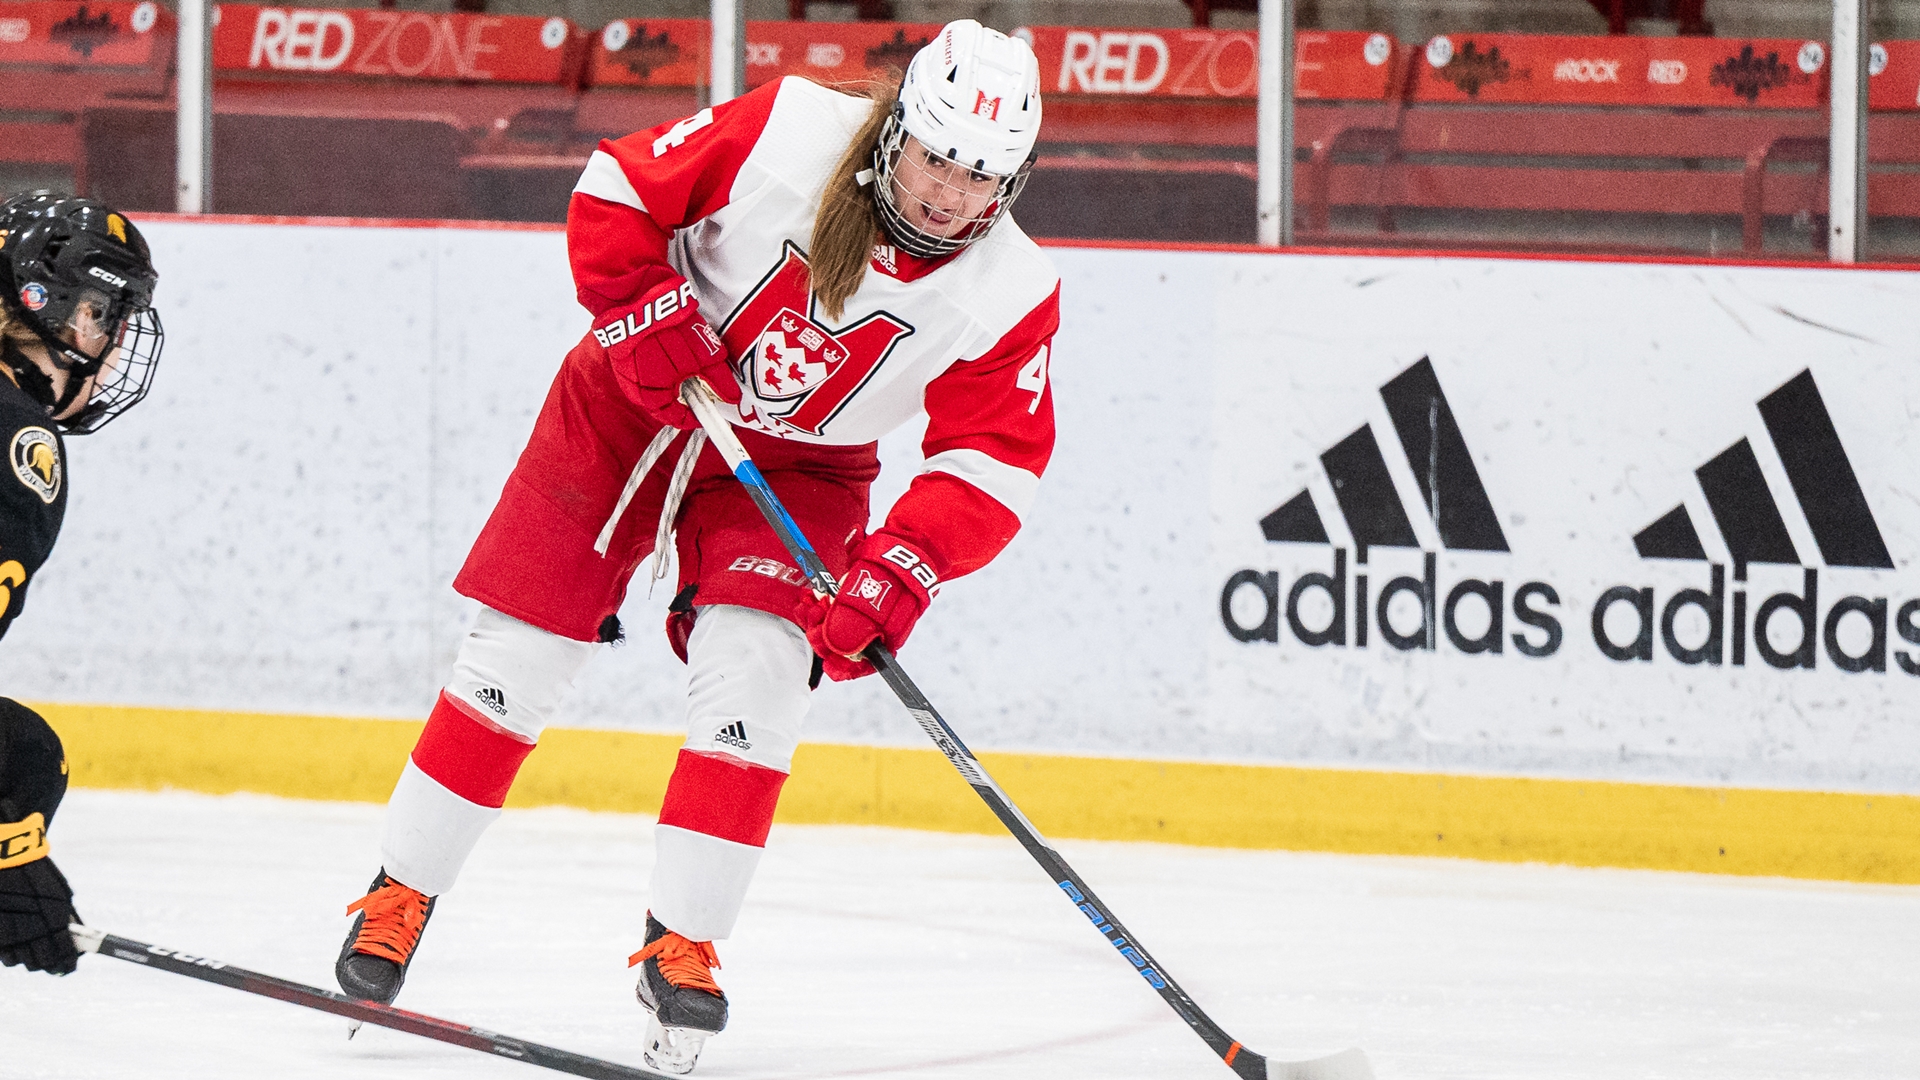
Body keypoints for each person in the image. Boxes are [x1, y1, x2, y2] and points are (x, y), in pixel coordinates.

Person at [335, 20, 1056, 1074]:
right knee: (518, 657)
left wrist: (903, 564)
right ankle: (398, 893)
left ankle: (684, 945)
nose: (952, 195)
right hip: (633, 404)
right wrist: (641, 309)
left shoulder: (1014, 287)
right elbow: (619, 188)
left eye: (982, 178)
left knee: (758, 678)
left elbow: (993, 459)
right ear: (897, 129)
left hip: (804, 472)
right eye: (939, 159)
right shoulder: (797, 128)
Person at [0, 190, 165, 977]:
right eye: (105, 314)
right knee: (22, 758)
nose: (111, 343)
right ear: (42, 303)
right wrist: (7, 857)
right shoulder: (17, 442)